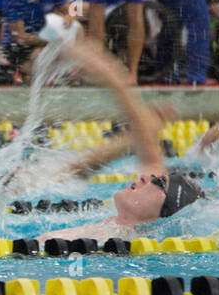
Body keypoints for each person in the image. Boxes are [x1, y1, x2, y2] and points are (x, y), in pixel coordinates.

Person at [37, 39, 202, 242]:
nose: (145, 177)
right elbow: (147, 149)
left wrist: (109, 75)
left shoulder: (117, 240)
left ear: (165, 212)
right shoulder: (111, 228)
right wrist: (110, 77)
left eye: (158, 182)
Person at [0, 0, 71, 80]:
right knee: (39, 56)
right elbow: (21, 38)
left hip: (42, 38)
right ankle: (22, 69)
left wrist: (69, 18)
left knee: (78, 29)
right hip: (18, 45)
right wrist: (51, 41)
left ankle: (69, 71)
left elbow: (68, 10)